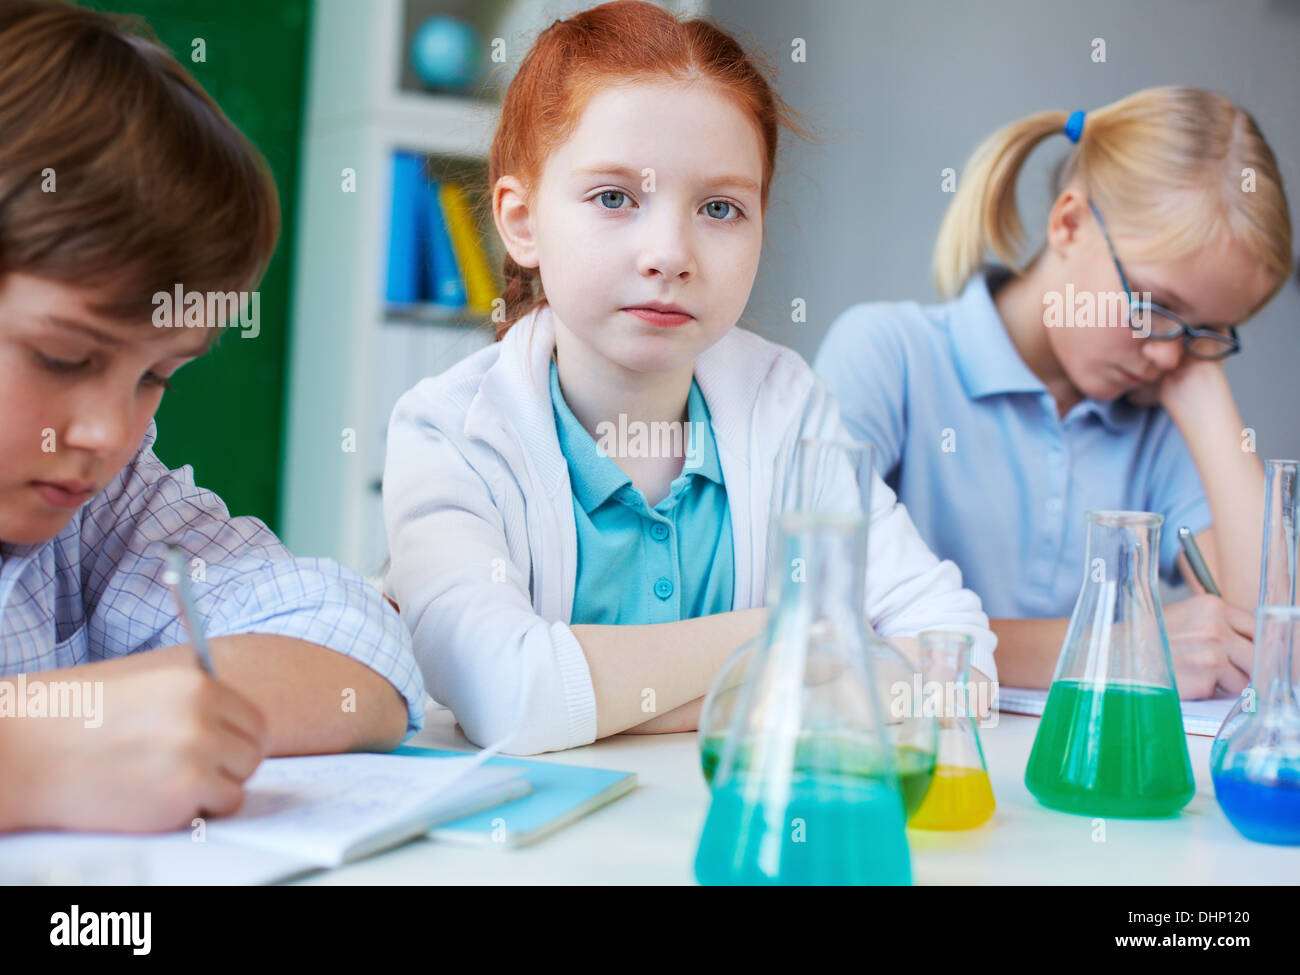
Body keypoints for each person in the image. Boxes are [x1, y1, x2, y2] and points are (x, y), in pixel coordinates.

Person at [383, 0, 995, 755]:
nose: (669, 252)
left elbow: (955, 656)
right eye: (615, 198)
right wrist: (790, 632)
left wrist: (607, 695)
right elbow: (510, 699)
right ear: (522, 220)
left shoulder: (786, 404)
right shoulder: (447, 431)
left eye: (720, 207)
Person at [0, 0, 424, 834]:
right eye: (63, 357)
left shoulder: (104, 500)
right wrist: (27, 754)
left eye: (156, 375)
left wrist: (69, 715)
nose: (109, 432)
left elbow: (356, 646)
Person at [815, 86, 1293, 697]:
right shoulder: (888, 354)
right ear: (1069, 224)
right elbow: (817, 613)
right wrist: (1114, 649)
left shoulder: (1162, 410)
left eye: (1207, 331)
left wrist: (1206, 394)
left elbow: (1276, 651)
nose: (1169, 353)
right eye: (1157, 307)